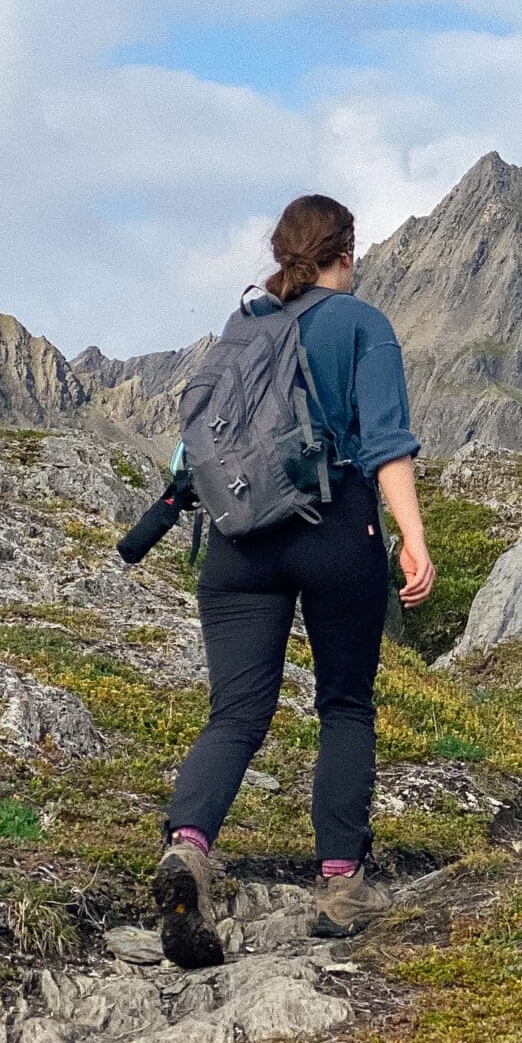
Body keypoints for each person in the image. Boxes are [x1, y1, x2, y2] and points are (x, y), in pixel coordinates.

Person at [155, 194, 435, 961]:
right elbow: (387, 445)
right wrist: (413, 538)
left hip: (239, 541)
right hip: (334, 528)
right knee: (344, 703)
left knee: (236, 714)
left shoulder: (244, 327)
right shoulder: (362, 324)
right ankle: (342, 884)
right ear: (345, 252)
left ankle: (188, 845)